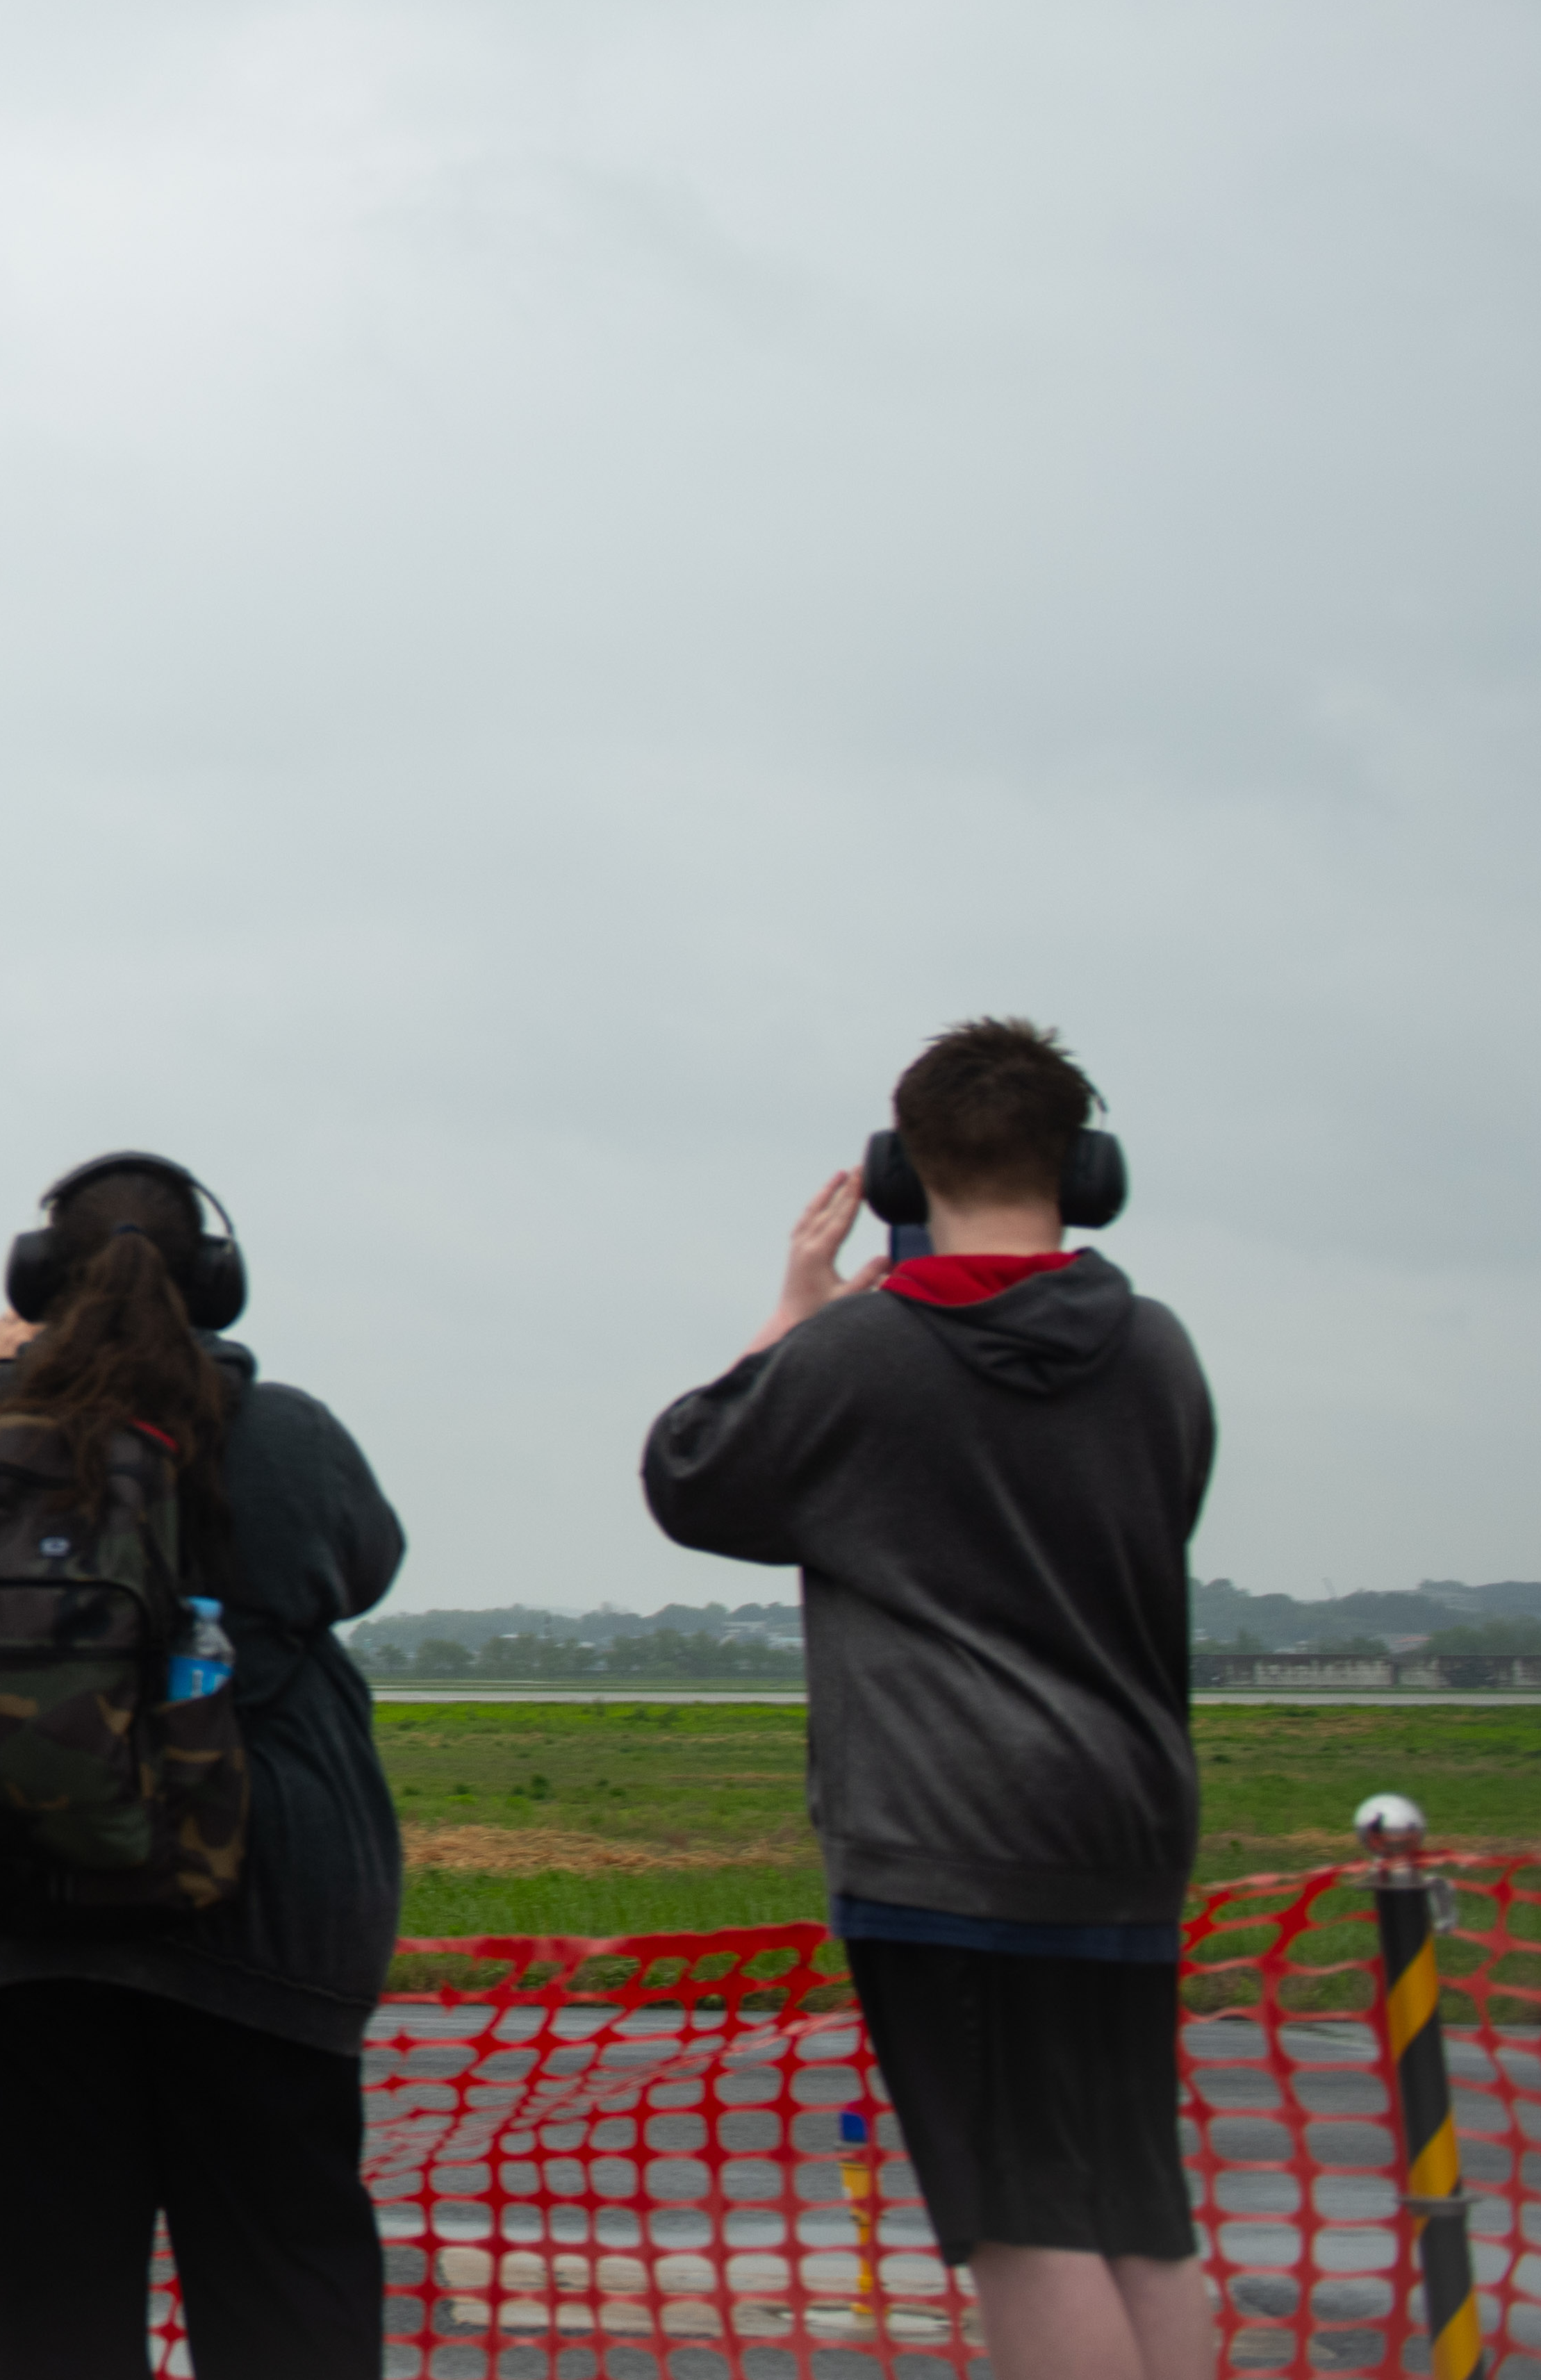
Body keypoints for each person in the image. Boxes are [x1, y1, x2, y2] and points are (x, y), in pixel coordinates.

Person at [643, 1018, 1217, 2380]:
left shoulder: (863, 1358)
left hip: (950, 1835)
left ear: (901, 1172)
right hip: (1126, 1828)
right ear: (1081, 1168)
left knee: (1018, 2219)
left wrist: (791, 1314)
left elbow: (689, 1474)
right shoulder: (1156, 1351)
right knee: (1137, 2209)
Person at [0, 1153, 408, 2380]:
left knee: (56, 2306)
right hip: (261, 1919)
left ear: (32, 1280)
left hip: (0, 1910)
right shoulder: (287, 1434)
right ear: (216, 1283)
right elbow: (363, 1564)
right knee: (288, 2292)